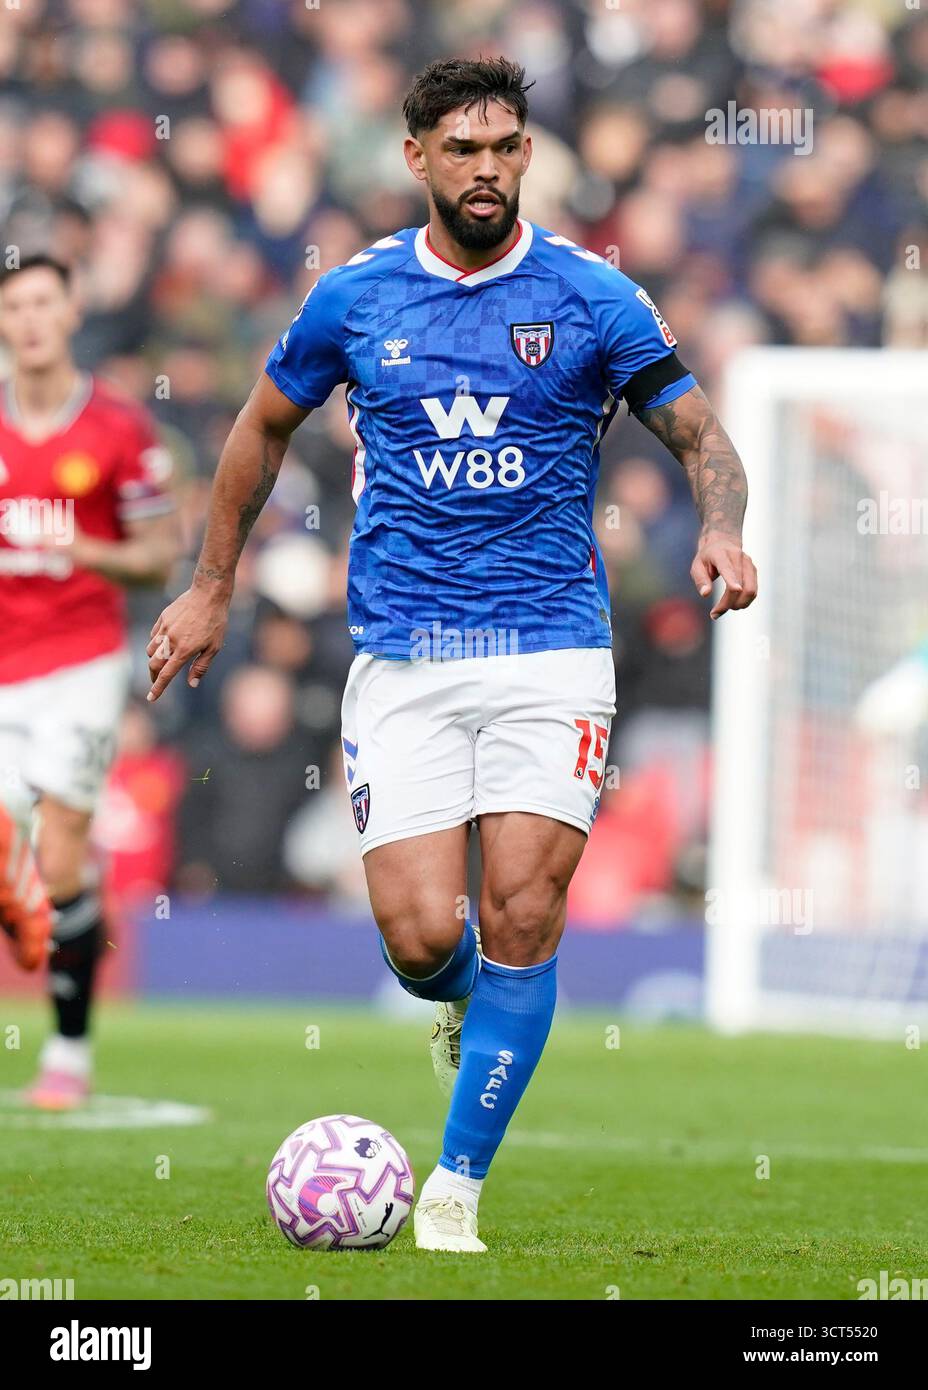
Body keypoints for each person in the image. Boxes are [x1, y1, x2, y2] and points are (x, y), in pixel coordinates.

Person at [147, 57, 757, 1251]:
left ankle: (454, 1188)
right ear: (417, 158)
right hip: (405, 655)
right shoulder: (356, 297)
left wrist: (722, 524)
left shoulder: (590, 295)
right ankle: (469, 1010)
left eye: (507, 146)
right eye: (463, 149)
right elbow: (260, 429)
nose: (487, 168)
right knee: (426, 938)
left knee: (522, 908)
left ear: (528, 154)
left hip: (550, 649)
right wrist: (210, 587)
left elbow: (697, 428)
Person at [0, 255, 178, 1109]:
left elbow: (159, 553)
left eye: (44, 302)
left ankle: (67, 1056)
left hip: (78, 663)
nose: (30, 319)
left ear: (72, 312)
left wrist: (90, 552)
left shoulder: (117, 428)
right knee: (12, 855)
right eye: (14, 306)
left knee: (60, 858)